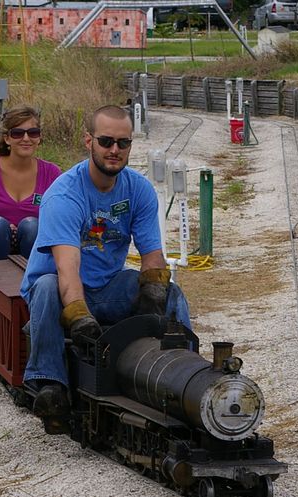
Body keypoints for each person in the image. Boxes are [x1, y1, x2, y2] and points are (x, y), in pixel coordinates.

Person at [20, 104, 192, 431]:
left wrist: (153, 295)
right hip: (60, 289)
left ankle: (184, 370)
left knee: (170, 292)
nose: (114, 150)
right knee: (43, 286)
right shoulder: (64, 195)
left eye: (123, 143)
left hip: (107, 287)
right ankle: (49, 383)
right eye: (106, 141)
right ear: (89, 141)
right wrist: (79, 316)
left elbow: (152, 256)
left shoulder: (139, 190)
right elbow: (67, 267)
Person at [0, 105, 62, 279]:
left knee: (32, 225)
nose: (26, 138)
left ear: (39, 137)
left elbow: (58, 223)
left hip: (31, 252)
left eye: (33, 133)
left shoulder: (52, 174)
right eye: (17, 133)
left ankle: (35, 290)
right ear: (7, 138)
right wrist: (7, 233)